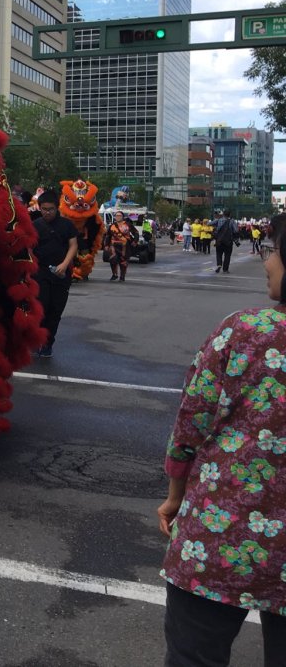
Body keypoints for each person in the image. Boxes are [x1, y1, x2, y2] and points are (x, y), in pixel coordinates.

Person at [157, 213, 286, 666]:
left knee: (195, 656)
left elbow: (191, 423)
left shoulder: (245, 330)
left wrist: (175, 494)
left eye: (274, 252)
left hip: (220, 531)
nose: (268, 262)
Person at [32, 189, 78, 358]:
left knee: (55, 311)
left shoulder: (67, 225)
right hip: (40, 273)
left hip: (61, 274)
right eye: (44, 209)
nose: (47, 212)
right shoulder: (35, 225)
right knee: (41, 308)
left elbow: (73, 245)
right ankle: (38, 339)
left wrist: (64, 265)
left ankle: (48, 343)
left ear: (57, 207)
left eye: (50, 209)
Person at [104, 212, 136, 282]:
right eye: (116, 216)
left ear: (123, 217)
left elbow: (135, 233)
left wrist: (135, 241)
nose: (118, 217)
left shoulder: (128, 225)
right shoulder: (112, 226)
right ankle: (114, 274)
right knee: (112, 259)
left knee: (123, 262)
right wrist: (106, 245)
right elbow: (108, 236)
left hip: (124, 247)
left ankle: (122, 276)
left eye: (119, 216)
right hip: (113, 246)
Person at [213, 209, 236, 274]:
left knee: (219, 253)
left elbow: (209, 224)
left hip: (219, 240)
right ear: (230, 214)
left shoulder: (218, 220)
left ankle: (219, 264)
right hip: (228, 241)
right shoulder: (232, 221)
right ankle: (225, 269)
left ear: (223, 214)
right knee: (227, 255)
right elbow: (236, 230)